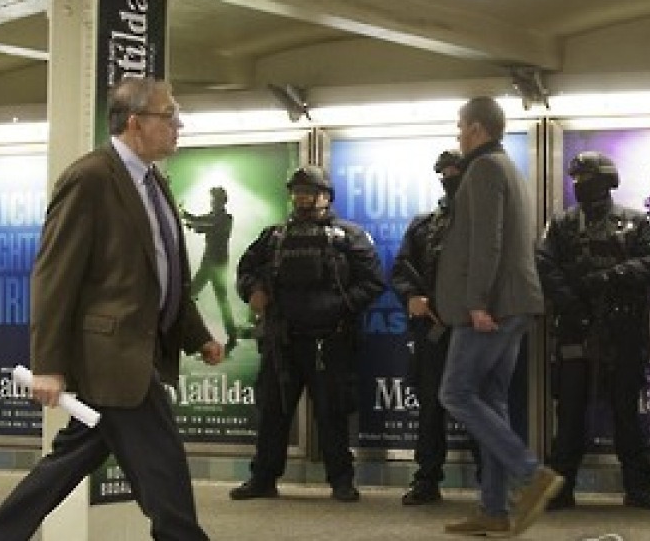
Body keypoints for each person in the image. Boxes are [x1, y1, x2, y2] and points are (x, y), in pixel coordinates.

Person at [0, 77, 224, 541]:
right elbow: (54, 275)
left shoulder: (154, 182)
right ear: (135, 122)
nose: (178, 125)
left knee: (69, 461)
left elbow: (162, 274)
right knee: (164, 470)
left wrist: (197, 335)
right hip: (113, 354)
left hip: (136, 353)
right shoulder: (90, 178)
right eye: (169, 116)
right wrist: (48, 365)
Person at [436, 96, 558, 537]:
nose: (458, 134)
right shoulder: (509, 169)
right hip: (513, 303)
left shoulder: (484, 168)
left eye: (460, 125)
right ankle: (494, 510)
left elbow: (487, 240)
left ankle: (530, 474)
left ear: (476, 127)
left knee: (455, 393)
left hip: (493, 306)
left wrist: (477, 302)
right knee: (490, 402)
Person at [230, 165, 384, 503]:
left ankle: (341, 481)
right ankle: (263, 479)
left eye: (309, 192)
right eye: (297, 192)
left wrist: (338, 307)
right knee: (272, 412)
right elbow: (245, 270)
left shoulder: (349, 236)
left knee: (332, 413)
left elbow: (373, 282)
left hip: (329, 341)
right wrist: (253, 290)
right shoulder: (273, 236)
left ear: (325, 196)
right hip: (282, 340)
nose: (302, 198)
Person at [537, 151, 650, 512]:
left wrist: (611, 277)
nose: (580, 184)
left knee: (626, 412)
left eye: (587, 178)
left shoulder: (636, 222)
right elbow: (545, 266)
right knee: (570, 414)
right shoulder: (562, 224)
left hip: (623, 330)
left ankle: (638, 488)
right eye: (576, 178)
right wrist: (573, 304)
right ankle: (560, 489)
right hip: (575, 329)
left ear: (607, 181)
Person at [390, 148, 481, 506]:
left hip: (475, 330)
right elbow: (401, 269)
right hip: (434, 329)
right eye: (445, 173)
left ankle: (491, 482)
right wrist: (412, 295)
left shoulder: (489, 221)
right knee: (430, 406)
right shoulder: (423, 224)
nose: (450, 177)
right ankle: (427, 479)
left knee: (480, 406)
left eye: (456, 171)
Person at [183, 186, 240, 355]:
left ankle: (199, 338)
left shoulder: (226, 218)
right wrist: (186, 216)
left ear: (222, 202)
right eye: (212, 199)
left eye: (215, 200)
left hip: (216, 264)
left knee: (191, 297)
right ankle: (230, 336)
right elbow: (200, 222)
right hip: (210, 263)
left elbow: (207, 225)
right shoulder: (215, 216)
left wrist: (191, 222)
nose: (212, 202)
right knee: (197, 297)